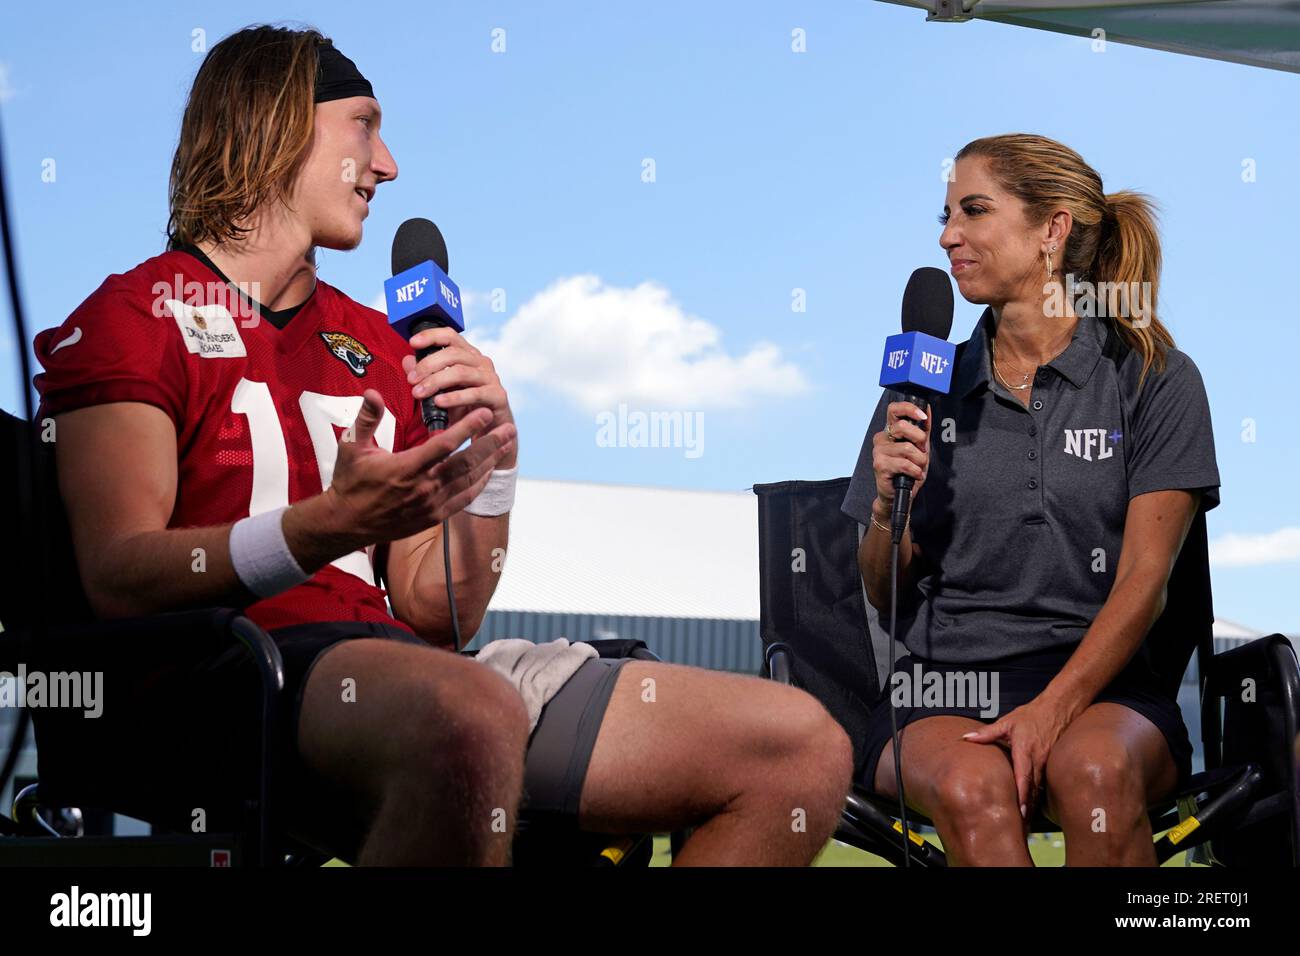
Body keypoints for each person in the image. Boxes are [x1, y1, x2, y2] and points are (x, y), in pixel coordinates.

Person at [32, 24, 852, 865]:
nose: (388, 165)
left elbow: (428, 607)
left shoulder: (380, 346)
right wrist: (323, 526)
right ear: (276, 121)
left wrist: (491, 468)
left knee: (798, 749)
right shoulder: (137, 314)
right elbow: (118, 575)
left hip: (406, 674)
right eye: (365, 124)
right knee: (467, 714)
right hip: (225, 675)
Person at [842, 133, 1221, 866]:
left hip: (1107, 686)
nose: (948, 236)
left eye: (974, 211)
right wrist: (890, 513)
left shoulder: (1155, 377)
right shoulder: (919, 387)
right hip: (943, 688)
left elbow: (1147, 579)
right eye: (945, 214)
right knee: (972, 786)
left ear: (1053, 229)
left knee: (1095, 774)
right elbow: (880, 588)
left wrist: (1052, 710)